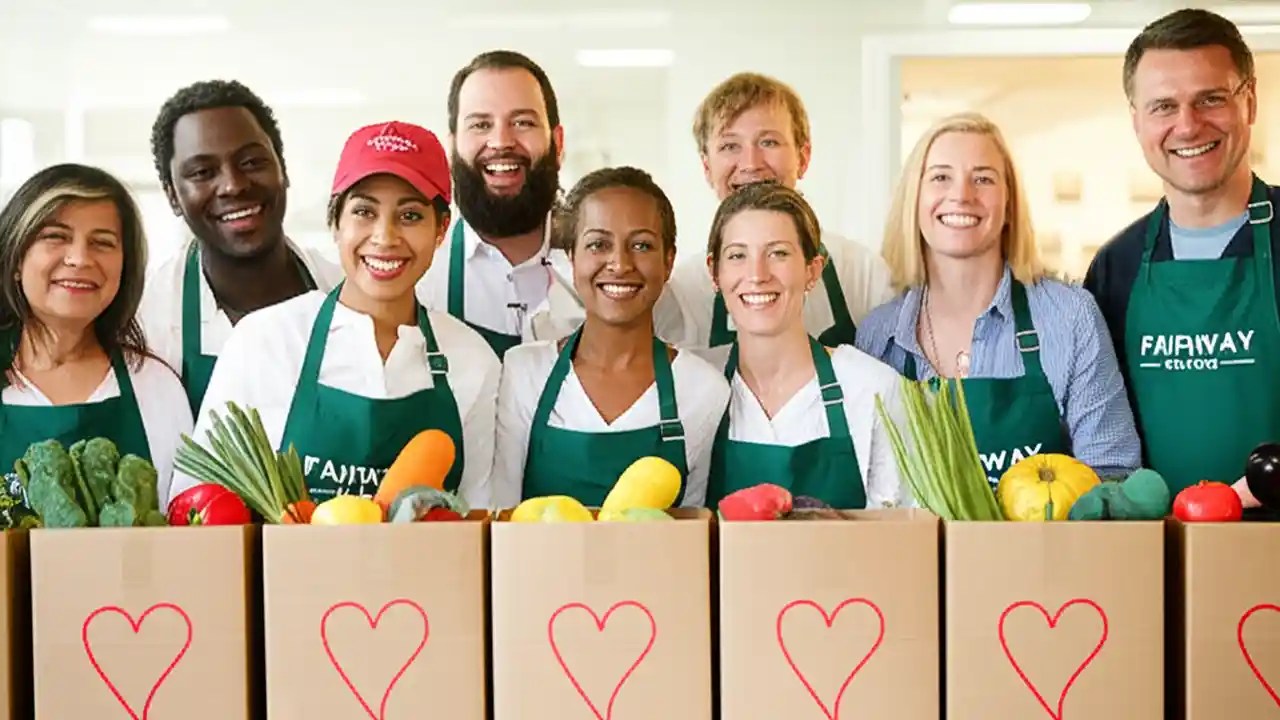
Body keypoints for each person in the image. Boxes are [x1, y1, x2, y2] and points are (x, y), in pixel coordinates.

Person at [170, 121, 500, 509]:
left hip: (428, 570)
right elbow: (195, 506)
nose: (385, 236)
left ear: (441, 229)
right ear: (336, 223)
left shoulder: (471, 361)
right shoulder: (265, 341)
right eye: (364, 211)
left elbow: (483, 518)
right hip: (284, 571)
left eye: (410, 216)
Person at [856, 111, 1142, 488]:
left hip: (1044, 547)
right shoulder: (877, 336)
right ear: (914, 198)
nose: (961, 195)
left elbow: (1113, 474)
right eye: (941, 177)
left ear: (1009, 202)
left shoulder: (1070, 318)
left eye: (983, 179)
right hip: (913, 549)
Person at [1084, 8, 1280, 500]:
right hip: (1155, 558)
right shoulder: (1114, 269)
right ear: (1137, 121)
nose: (1188, 126)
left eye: (1211, 99)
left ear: (1249, 101)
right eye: (1163, 107)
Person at [491, 167, 730, 509]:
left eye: (641, 245)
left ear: (668, 261)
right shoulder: (525, 371)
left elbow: (695, 531)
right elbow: (502, 517)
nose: (619, 263)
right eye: (598, 245)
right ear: (571, 257)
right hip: (534, 563)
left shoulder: (703, 389)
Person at [139, 79, 342, 417]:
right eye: (203, 172)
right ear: (173, 196)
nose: (233, 185)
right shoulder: (148, 323)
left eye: (251, 162)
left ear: (283, 169)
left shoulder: (346, 298)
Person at [702, 182, 906, 509]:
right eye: (738, 255)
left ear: (813, 270)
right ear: (715, 273)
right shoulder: (700, 391)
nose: (757, 274)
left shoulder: (874, 389)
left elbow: (899, 534)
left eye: (778, 253)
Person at [658, 72, 893, 355]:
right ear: (707, 167)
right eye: (730, 146)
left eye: (768, 142)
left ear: (803, 157)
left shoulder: (864, 275)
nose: (751, 164)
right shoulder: (683, 292)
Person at [0, 164, 192, 506]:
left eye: (102, 243)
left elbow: (182, 529)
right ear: (16, 258)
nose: (79, 259)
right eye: (55, 237)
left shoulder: (154, 386)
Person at [420, 50, 584, 358]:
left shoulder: (603, 274)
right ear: (451, 146)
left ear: (558, 144)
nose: (501, 142)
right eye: (481, 125)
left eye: (522, 122)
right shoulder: (418, 281)